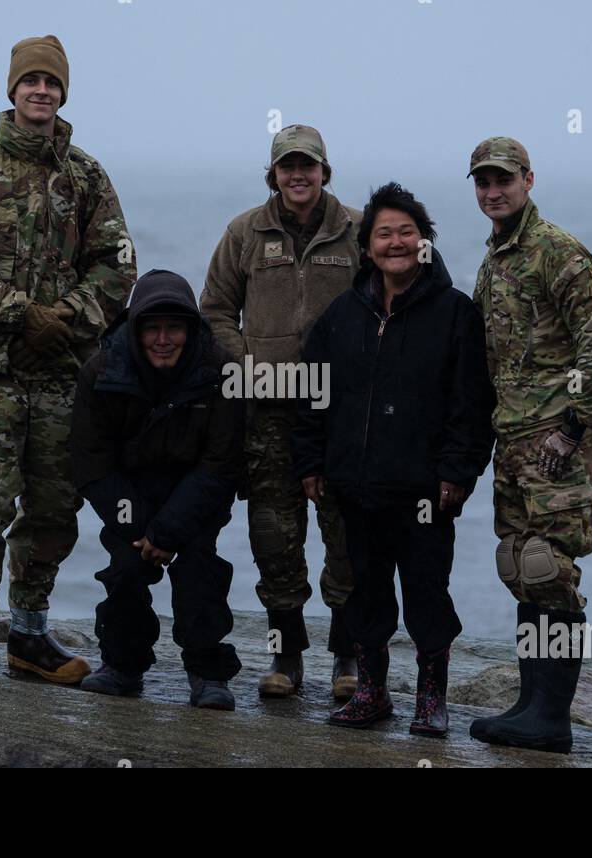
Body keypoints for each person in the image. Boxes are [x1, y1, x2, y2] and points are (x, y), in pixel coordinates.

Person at [0, 34, 136, 681]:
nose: (41, 91)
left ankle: (27, 634)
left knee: (52, 509)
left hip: (61, 377)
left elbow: (117, 262)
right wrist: (26, 314)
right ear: (13, 90)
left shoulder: (86, 175)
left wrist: (69, 316)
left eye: (51, 83)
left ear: (62, 93)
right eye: (31, 82)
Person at [291, 183, 494, 735]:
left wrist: (458, 470)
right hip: (354, 485)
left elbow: (472, 405)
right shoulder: (342, 315)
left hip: (427, 492)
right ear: (367, 246)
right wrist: (310, 462)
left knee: (427, 592)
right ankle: (372, 692)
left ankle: (431, 699)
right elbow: (312, 393)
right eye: (385, 233)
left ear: (425, 242)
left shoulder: (455, 314)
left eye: (408, 232)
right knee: (366, 591)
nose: (396, 242)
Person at [200, 124, 363, 700]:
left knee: (346, 533)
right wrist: (245, 361)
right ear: (273, 173)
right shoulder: (245, 231)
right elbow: (215, 309)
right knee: (273, 535)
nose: (299, 175)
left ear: (326, 171)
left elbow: (391, 300)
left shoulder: (358, 231)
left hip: (339, 410)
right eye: (288, 166)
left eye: (309, 166)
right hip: (266, 409)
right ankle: (285, 657)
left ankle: (349, 657)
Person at [463, 137, 592, 754]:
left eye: (503, 180)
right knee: (520, 569)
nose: (493, 191)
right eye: (482, 182)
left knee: (550, 570)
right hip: (513, 438)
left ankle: (553, 718)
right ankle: (530, 706)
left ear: (529, 179)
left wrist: (572, 426)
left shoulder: (558, 251)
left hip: (557, 440)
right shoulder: (496, 257)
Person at [69, 270, 246, 710]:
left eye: (174, 328)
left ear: (190, 329)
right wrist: (140, 524)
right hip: (128, 494)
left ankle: (207, 671)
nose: (163, 339)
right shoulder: (101, 371)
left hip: (199, 491)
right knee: (127, 568)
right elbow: (91, 463)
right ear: (135, 329)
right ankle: (123, 666)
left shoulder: (223, 370)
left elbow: (222, 463)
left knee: (199, 566)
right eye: (152, 328)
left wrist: (169, 530)